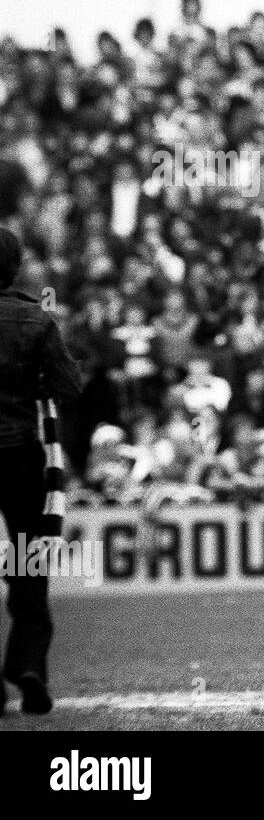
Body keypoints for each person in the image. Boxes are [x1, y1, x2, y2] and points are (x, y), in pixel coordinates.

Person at [0, 228, 83, 716]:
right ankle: (29, 665)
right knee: (29, 564)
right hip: (22, 453)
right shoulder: (35, 316)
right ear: (15, 267)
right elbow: (68, 386)